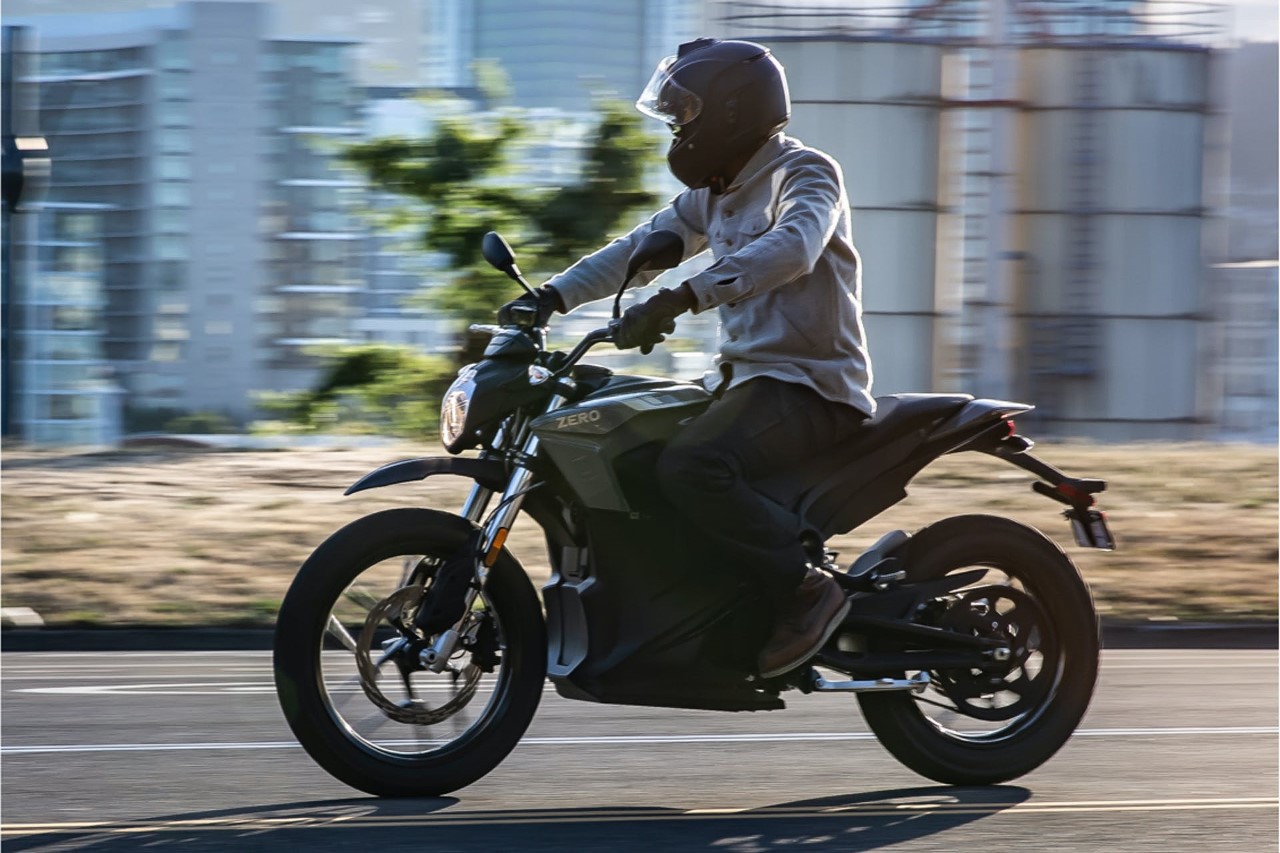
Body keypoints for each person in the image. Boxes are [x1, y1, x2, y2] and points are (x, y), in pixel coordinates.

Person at [499, 38, 875, 679]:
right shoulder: (715, 194)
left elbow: (793, 249)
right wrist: (550, 298)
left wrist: (684, 295)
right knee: (621, 440)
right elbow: (637, 249)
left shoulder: (805, 173)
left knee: (694, 464)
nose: (677, 126)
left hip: (811, 387)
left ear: (731, 111)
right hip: (743, 383)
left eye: (686, 113)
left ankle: (807, 586)